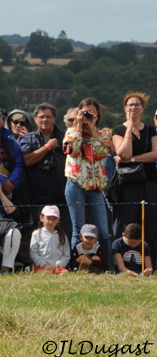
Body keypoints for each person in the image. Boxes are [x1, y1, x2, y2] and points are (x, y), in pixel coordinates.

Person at [62, 97, 112, 256]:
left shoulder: (102, 135)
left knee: (103, 231)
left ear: (98, 115)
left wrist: (93, 129)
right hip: (75, 184)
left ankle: (107, 265)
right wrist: (78, 126)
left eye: (92, 113)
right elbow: (73, 150)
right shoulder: (71, 132)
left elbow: (102, 153)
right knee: (78, 229)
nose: (88, 116)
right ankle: (77, 263)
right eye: (85, 112)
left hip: (96, 187)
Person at [110, 92, 157, 245]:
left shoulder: (151, 130)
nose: (133, 108)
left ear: (143, 108)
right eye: (130, 105)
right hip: (127, 183)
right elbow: (124, 153)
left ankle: (151, 257)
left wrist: (132, 159)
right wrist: (129, 128)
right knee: (126, 223)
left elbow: (155, 155)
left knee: (150, 224)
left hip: (148, 181)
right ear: (125, 108)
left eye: (137, 105)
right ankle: (121, 257)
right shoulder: (118, 130)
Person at [18, 103, 67, 227]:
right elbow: (27, 160)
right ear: (35, 119)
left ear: (54, 119)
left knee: (65, 233)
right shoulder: (27, 139)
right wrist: (48, 147)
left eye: (48, 117)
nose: (45, 120)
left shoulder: (65, 137)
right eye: (41, 117)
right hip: (39, 199)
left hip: (64, 198)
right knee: (42, 233)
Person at [30, 205, 70, 273]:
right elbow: (34, 253)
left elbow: (66, 254)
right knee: (44, 274)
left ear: (58, 219)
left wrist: (58, 265)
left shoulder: (62, 235)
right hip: (42, 267)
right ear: (41, 218)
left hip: (58, 267)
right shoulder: (36, 234)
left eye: (54, 219)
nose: (51, 222)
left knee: (64, 273)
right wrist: (44, 265)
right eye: (48, 218)